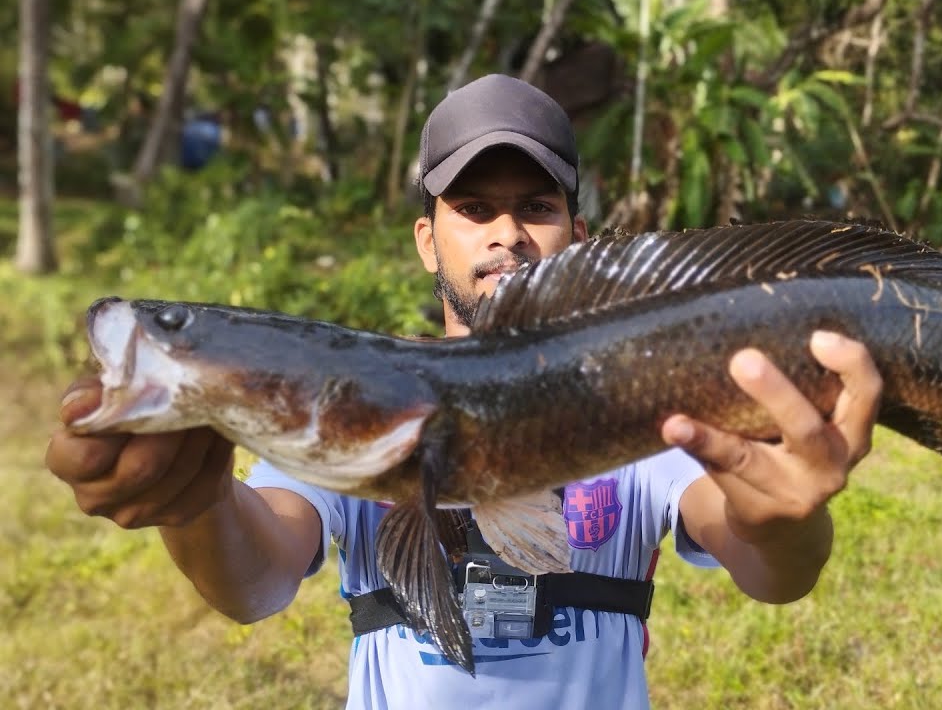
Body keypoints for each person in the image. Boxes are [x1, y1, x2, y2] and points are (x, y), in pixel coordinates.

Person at [44, 74, 884, 709]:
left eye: (536, 207)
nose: (505, 233)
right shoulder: (350, 408)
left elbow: (772, 571)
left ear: (578, 237)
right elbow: (253, 581)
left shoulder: (641, 399)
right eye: (473, 207)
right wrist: (194, 504)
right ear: (427, 238)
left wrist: (787, 518)